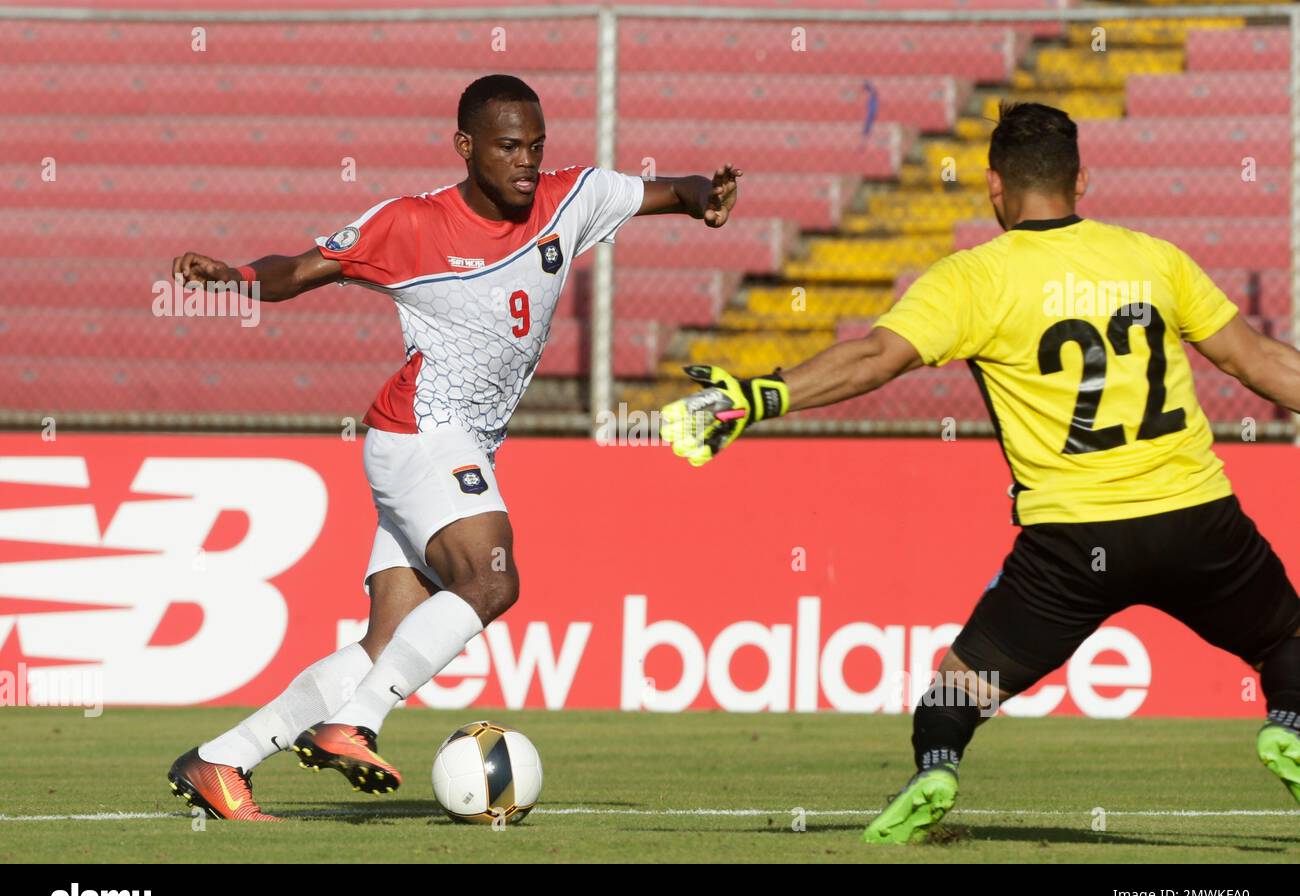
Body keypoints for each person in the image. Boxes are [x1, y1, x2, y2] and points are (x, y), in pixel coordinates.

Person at [659, 102, 1300, 844]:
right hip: (1194, 518)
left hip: (1069, 543)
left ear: (993, 186)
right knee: (1287, 637)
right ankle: (1286, 722)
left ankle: (937, 765)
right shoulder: (1155, 258)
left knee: (952, 692)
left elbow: (875, 359)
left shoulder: (974, 278)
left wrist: (760, 394)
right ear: (1081, 180)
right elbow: (1257, 360)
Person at [167, 73, 742, 820]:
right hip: (420, 434)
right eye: (508, 148)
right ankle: (356, 722)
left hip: (453, 446)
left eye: (536, 147)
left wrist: (706, 197)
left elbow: (669, 191)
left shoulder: (573, 199)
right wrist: (237, 276)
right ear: (466, 147)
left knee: (383, 643)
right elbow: (302, 271)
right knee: (494, 578)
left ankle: (222, 759)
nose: (526, 163)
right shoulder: (410, 224)